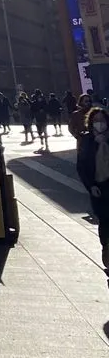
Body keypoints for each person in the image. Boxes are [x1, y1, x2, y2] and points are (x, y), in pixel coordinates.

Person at [76, 106, 109, 278]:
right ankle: (106, 249)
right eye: (96, 121)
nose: (100, 124)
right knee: (104, 220)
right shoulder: (87, 140)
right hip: (98, 187)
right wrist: (91, 186)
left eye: (102, 121)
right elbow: (81, 166)